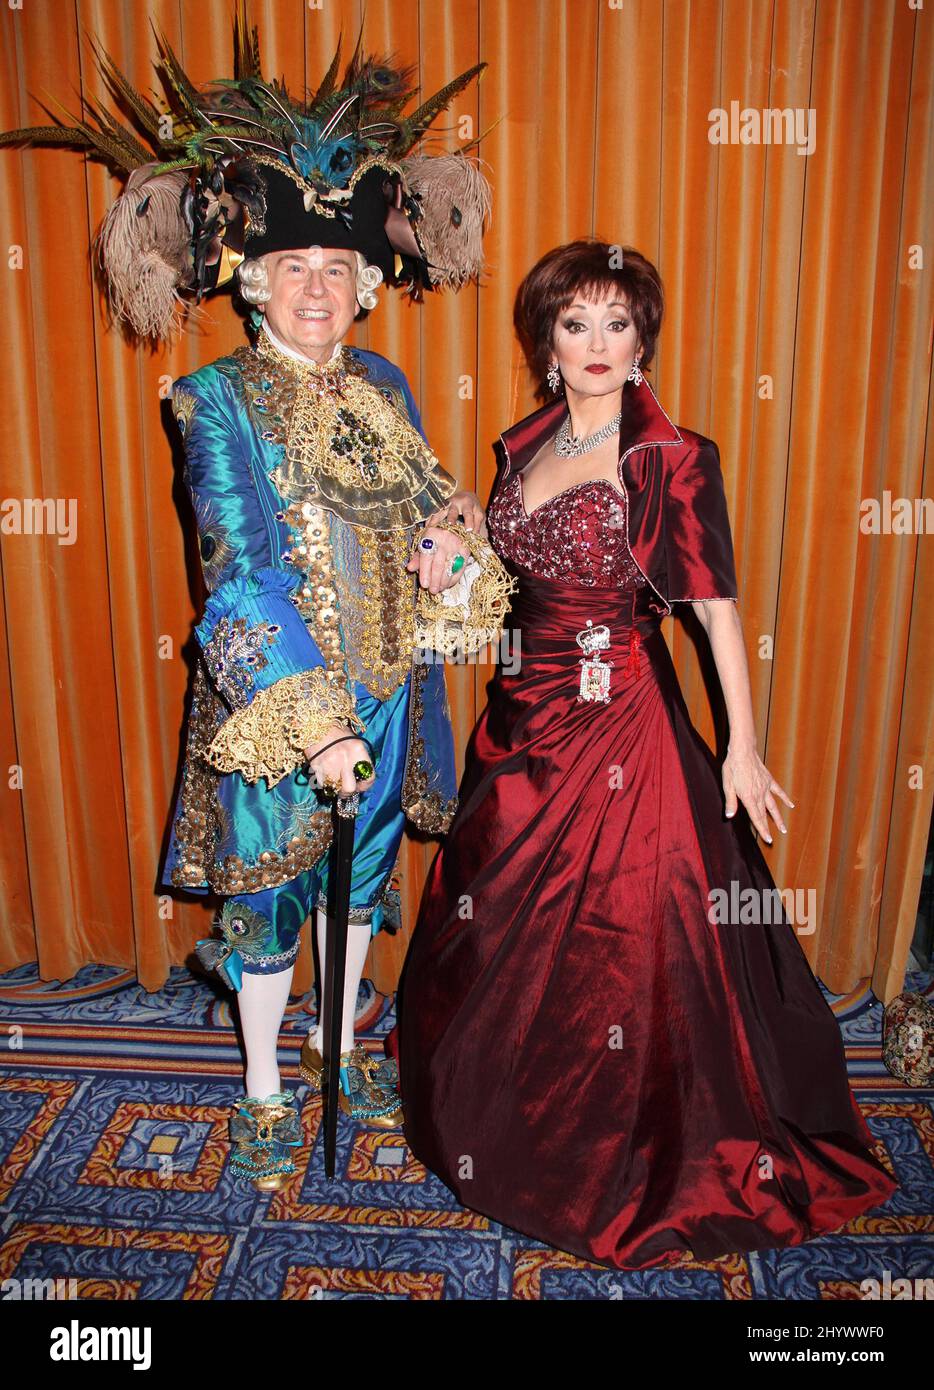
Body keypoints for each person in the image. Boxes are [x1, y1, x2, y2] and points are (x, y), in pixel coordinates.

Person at [2, 18, 513, 1191]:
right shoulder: (211, 399)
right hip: (279, 703)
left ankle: (338, 1046)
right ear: (252, 282)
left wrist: (448, 543)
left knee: (362, 884)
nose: (317, 288)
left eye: (336, 269)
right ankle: (267, 1085)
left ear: (367, 283)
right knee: (272, 897)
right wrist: (314, 714)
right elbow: (235, 568)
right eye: (294, 269)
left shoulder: (384, 381)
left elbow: (430, 501)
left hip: (391, 689)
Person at [395, 240, 899, 1269]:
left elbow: (714, 612)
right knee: (497, 920)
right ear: (545, 341)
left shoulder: (671, 454)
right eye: (573, 323)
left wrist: (742, 751)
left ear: (642, 343)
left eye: (615, 324)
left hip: (620, 714)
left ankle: (628, 1156)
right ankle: (498, 1118)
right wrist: (452, 529)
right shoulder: (524, 443)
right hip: (522, 714)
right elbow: (504, 540)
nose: (594, 343)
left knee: (624, 941)